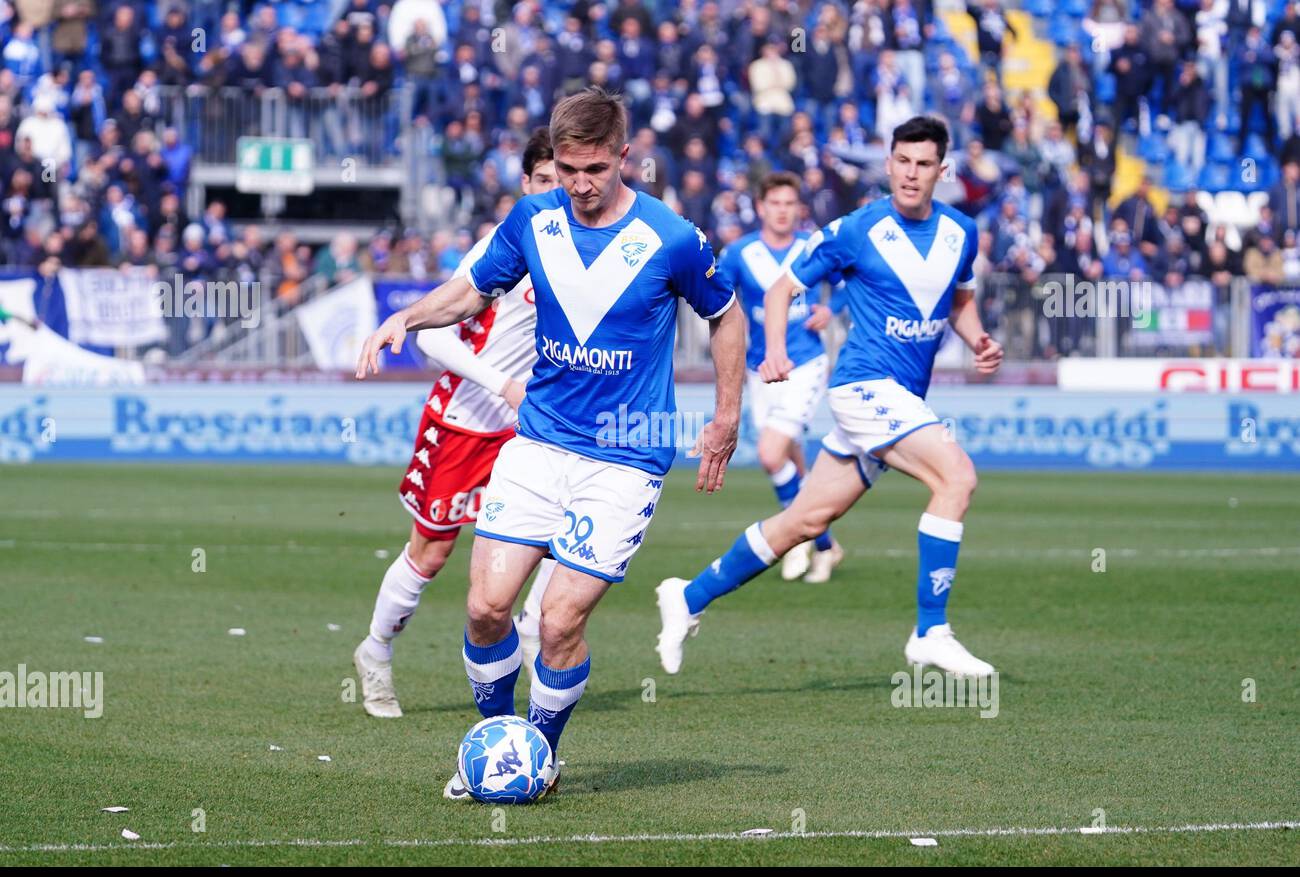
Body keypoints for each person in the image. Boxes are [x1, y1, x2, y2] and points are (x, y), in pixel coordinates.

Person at [356, 88, 745, 797]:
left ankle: (541, 753)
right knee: (484, 609)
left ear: (624, 157)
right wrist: (406, 318)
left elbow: (726, 316)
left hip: (625, 454)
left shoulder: (671, 237)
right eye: (567, 168)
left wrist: (726, 415)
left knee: (559, 620)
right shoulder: (533, 219)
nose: (579, 184)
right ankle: (496, 746)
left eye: (594, 168)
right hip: (537, 442)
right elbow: (472, 289)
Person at [654, 115, 1004, 679]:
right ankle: (930, 631)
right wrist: (772, 351)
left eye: (924, 165)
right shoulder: (856, 229)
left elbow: (959, 300)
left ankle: (687, 598)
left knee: (803, 520)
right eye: (903, 162)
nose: (912, 175)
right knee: (956, 477)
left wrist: (980, 339)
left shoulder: (961, 231)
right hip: (864, 387)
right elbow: (781, 287)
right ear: (888, 164)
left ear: (943, 170)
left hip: (901, 398)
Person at [353, 128, 560, 720]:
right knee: (433, 551)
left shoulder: (579, 246)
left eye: (563, 180)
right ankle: (375, 651)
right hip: (467, 421)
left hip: (532, 426)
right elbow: (436, 337)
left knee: (558, 538)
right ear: (525, 185)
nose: (556, 191)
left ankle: (526, 635)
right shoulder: (504, 242)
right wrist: (505, 386)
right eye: (543, 180)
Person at [717, 170, 843, 583]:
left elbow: (848, 282)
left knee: (771, 454)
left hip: (804, 363)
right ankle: (826, 546)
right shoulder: (739, 253)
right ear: (760, 207)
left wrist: (832, 308)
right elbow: (717, 298)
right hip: (760, 369)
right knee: (790, 458)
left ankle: (795, 539)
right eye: (775, 203)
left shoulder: (812, 246)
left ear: (798, 209)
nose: (783, 211)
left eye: (790, 204)